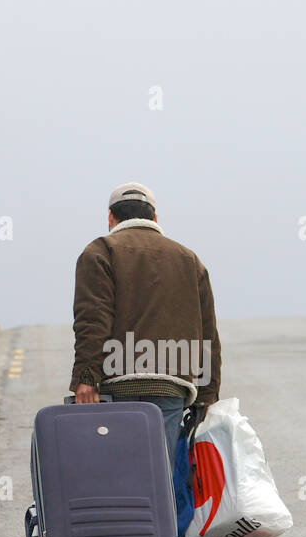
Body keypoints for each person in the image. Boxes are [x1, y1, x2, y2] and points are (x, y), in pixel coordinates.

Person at [70, 182, 221, 457]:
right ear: (154, 218)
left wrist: (86, 378)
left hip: (117, 387)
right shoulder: (188, 260)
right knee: (158, 477)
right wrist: (208, 395)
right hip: (170, 388)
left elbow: (92, 321)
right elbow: (208, 333)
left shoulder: (99, 252)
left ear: (110, 217)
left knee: (119, 475)